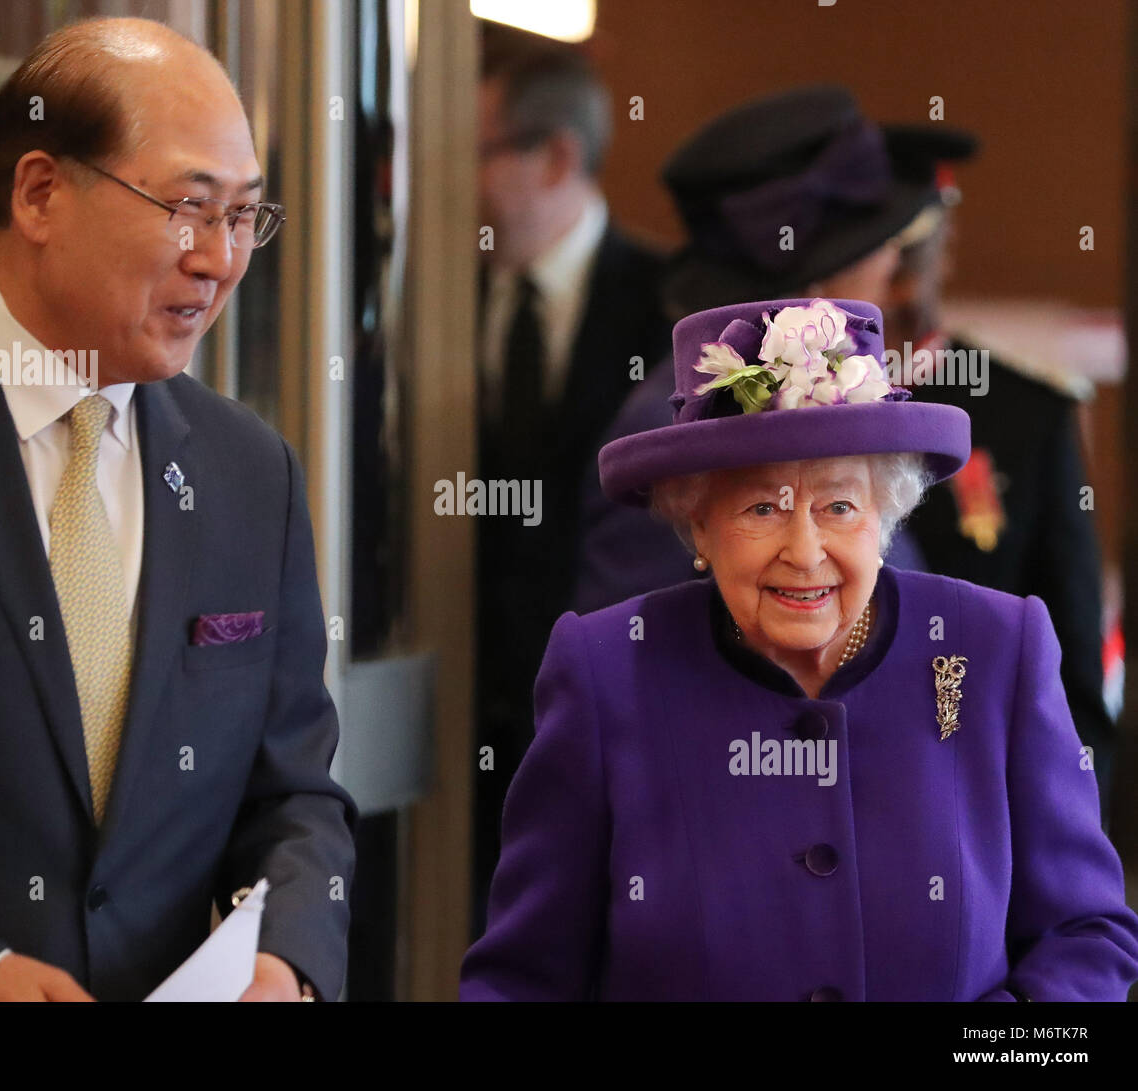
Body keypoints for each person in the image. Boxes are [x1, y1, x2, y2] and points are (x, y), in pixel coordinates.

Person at [0, 17, 356, 1001]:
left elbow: (292, 792)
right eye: (188, 208)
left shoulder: (252, 473)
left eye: (246, 215)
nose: (220, 259)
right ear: (39, 193)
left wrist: (288, 958)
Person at [461, 296, 1138, 1000]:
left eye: (838, 506)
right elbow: (520, 981)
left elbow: (1085, 935)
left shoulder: (996, 651)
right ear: (698, 524)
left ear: (885, 514)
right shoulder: (606, 672)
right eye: (762, 508)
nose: (805, 550)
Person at [571, 86, 963, 613]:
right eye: (880, 242)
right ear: (819, 285)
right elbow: (639, 668)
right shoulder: (679, 433)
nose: (895, 262)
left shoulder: (836, 394)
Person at [473, 30, 670, 932]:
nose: (449, 185)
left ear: (556, 158)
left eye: (472, 156)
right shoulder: (428, 300)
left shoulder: (672, 311)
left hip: (613, 732)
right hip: (461, 733)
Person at [880, 168, 1116, 817]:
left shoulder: (1022, 410)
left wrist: (1069, 841)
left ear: (944, 250)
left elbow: (1074, 670)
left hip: (984, 794)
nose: (897, 276)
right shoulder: (792, 403)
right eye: (876, 253)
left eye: (911, 252)